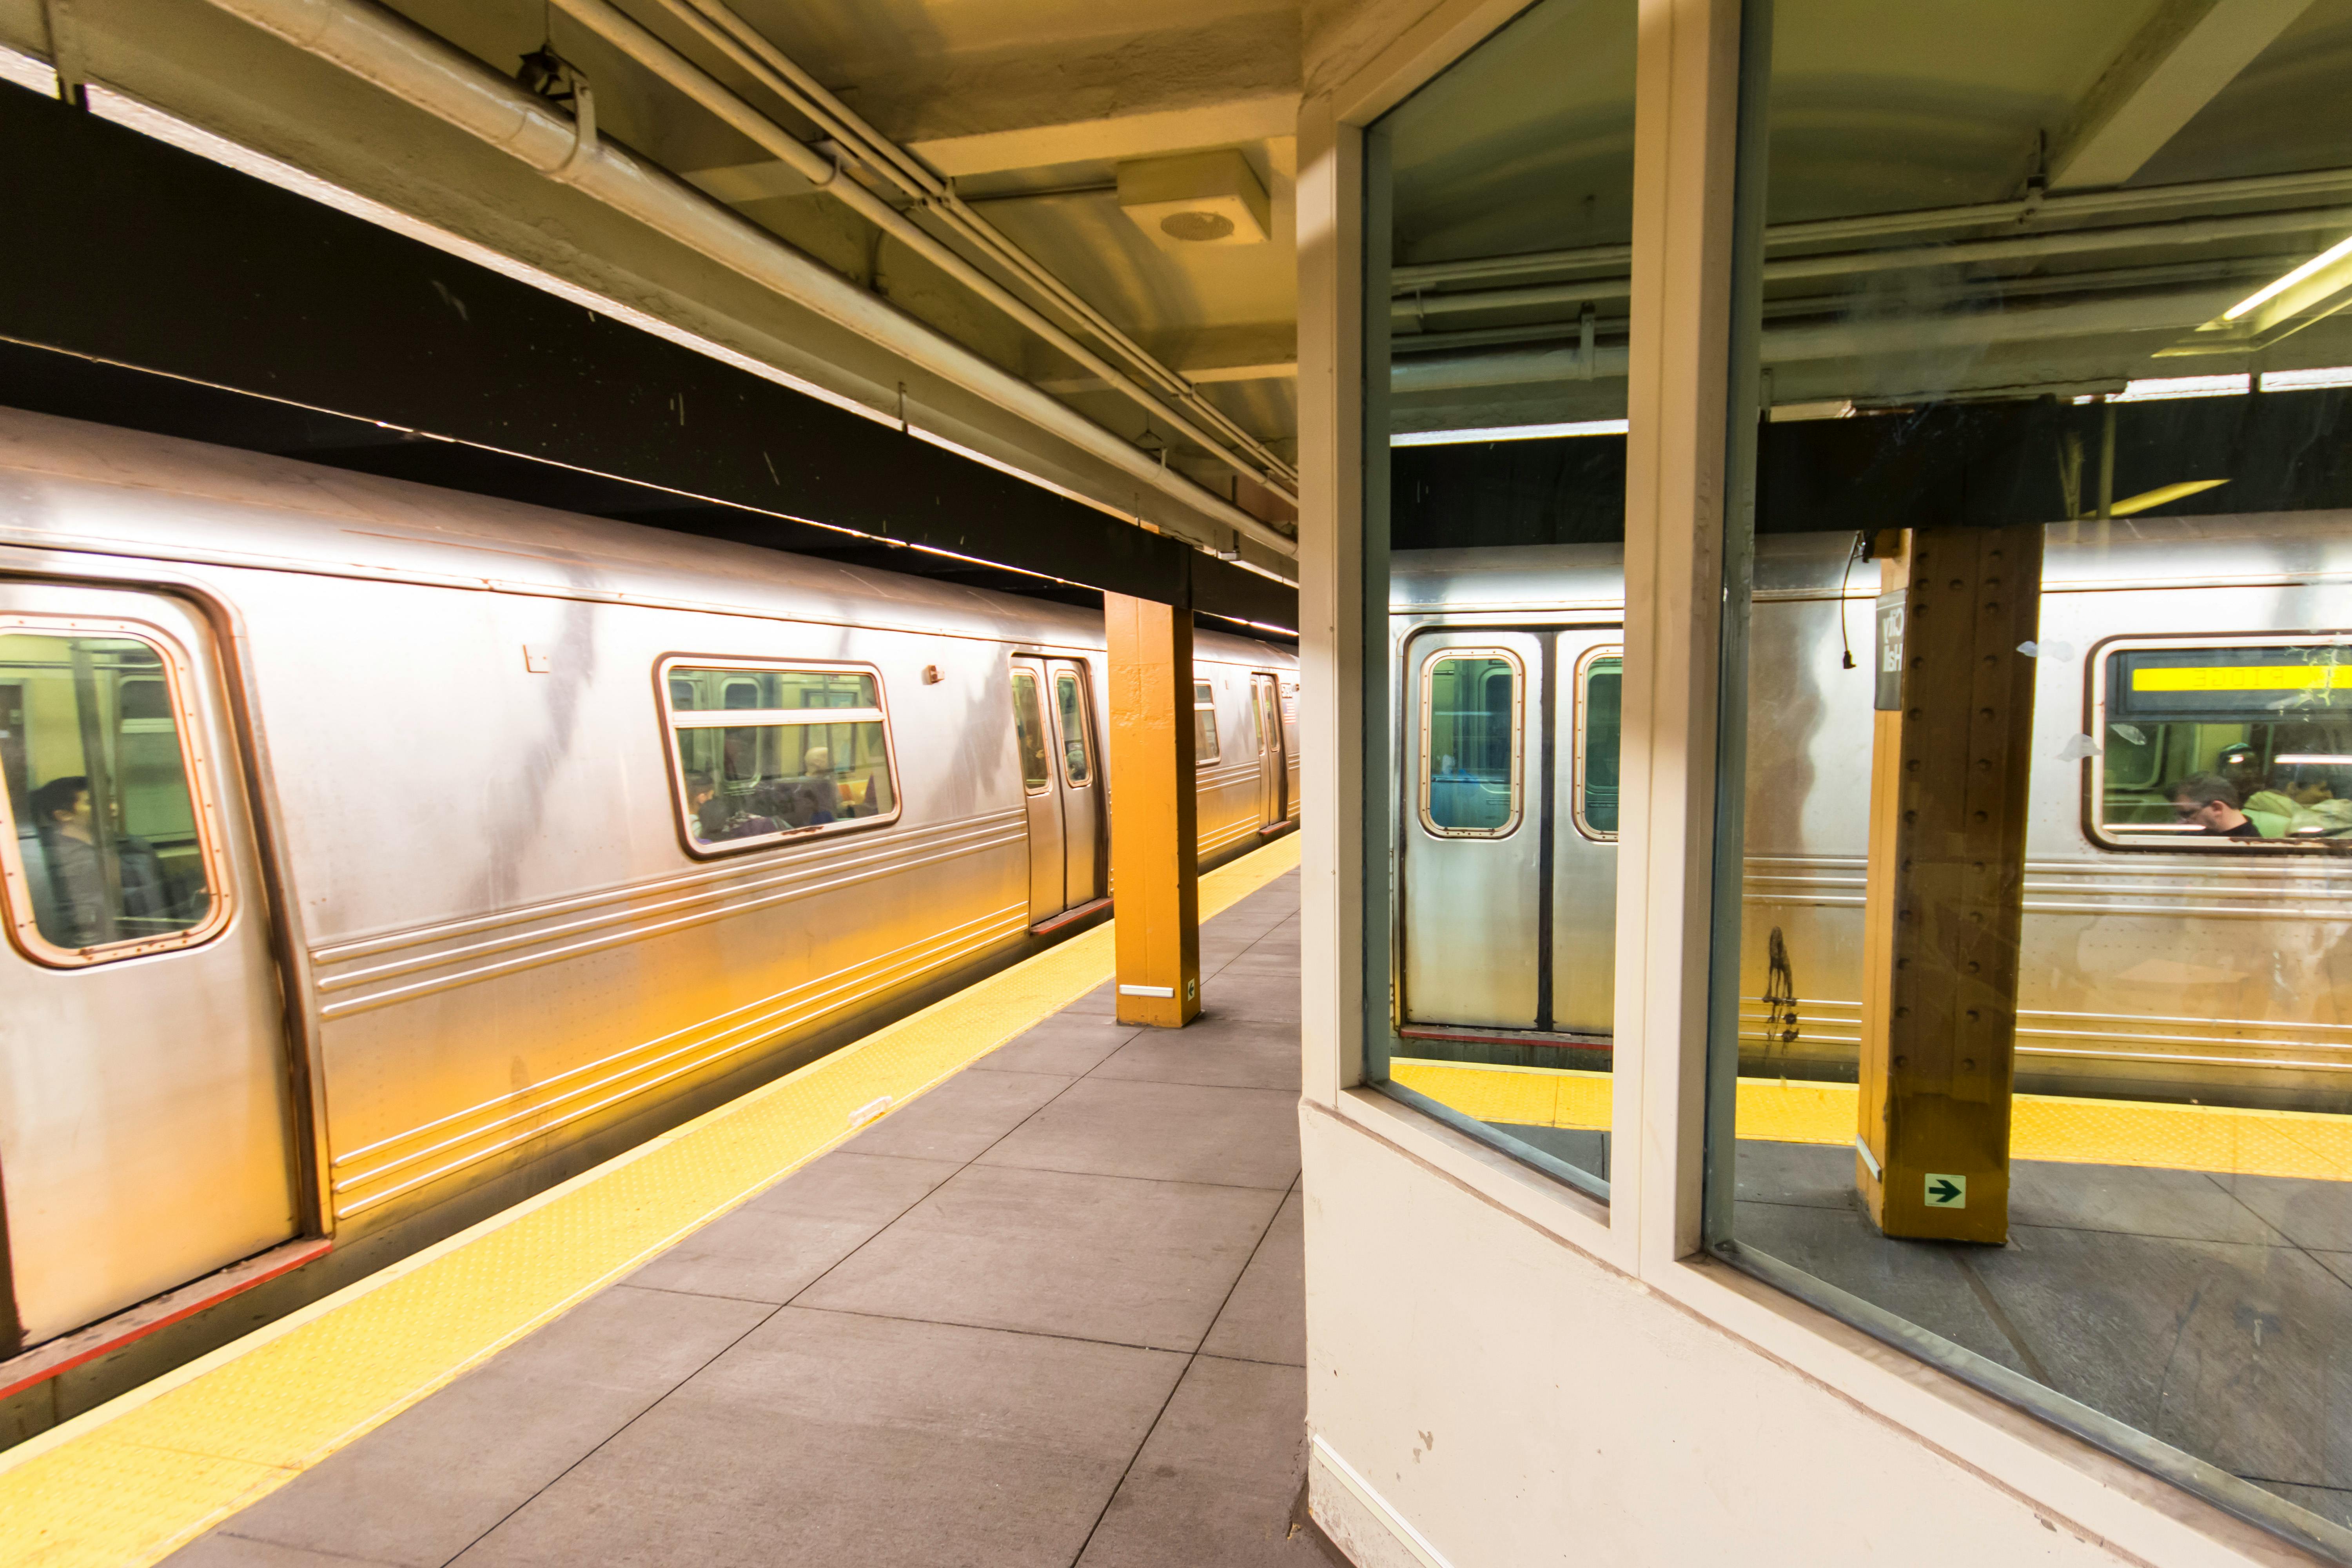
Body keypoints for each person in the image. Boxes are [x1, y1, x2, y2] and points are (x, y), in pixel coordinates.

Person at [25, 775, 167, 945]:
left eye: (111, 800)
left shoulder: (135, 846)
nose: (113, 808)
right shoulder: (48, 859)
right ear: (64, 815)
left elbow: (161, 896)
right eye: (94, 803)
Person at [2168, 773, 2265, 839]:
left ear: (2217, 808)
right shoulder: (2201, 834)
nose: (2180, 822)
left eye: (2187, 814)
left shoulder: (2247, 846)